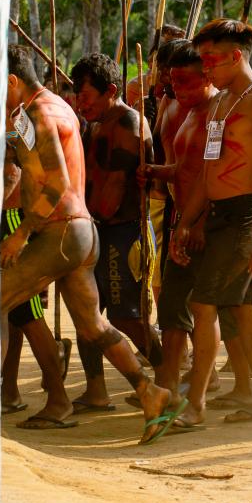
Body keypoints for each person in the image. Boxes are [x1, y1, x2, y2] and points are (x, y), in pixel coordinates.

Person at [0, 44, 178, 441]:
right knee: (93, 325)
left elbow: (56, 184)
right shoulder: (56, 108)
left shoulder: (40, 114)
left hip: (61, 230)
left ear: (11, 81)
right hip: (81, 233)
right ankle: (151, 393)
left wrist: (21, 234)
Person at [170, 18, 252, 423]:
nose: (206, 70)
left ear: (236, 57)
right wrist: (185, 223)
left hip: (248, 215)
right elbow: (207, 173)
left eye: (211, 61)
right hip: (219, 215)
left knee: (202, 304)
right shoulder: (220, 103)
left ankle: (196, 404)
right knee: (240, 307)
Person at [139, 42, 248, 425]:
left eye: (186, 81)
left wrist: (198, 224)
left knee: (213, 309)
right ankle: (167, 386)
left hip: (212, 225)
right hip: (184, 222)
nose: (177, 89)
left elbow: (214, 175)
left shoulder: (218, 113)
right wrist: (156, 172)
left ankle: (216, 394)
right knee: (172, 307)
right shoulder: (186, 111)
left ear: (206, 77)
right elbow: (185, 169)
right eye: (173, 82)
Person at [66, 52, 156, 413]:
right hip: (98, 230)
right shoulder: (95, 123)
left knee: (126, 318)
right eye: (77, 95)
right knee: (86, 315)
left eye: (87, 96)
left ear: (111, 91)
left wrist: (89, 221)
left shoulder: (128, 122)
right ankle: (96, 390)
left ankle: (166, 378)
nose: (81, 103)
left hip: (122, 232)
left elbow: (114, 189)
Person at [0, 161, 55, 416]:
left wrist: (21, 232)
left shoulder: (15, 128)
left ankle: (58, 396)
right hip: (7, 215)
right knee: (12, 314)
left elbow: (13, 170)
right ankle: (9, 392)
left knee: (29, 316)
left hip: (12, 216)